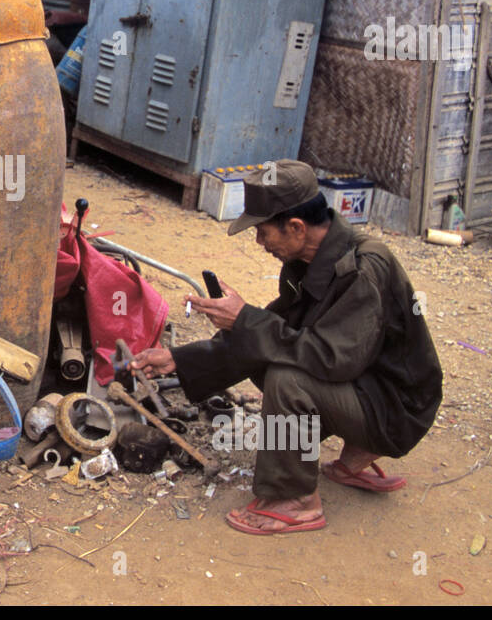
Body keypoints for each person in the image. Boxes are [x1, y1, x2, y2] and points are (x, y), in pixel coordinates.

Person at [131, 160, 443, 535]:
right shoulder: (306, 261)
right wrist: (178, 359)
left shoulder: (362, 268)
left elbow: (331, 359)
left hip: (397, 410)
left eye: (262, 233)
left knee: (286, 378)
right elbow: (271, 334)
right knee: (267, 347)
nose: (260, 244)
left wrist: (246, 319)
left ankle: (294, 500)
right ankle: (356, 454)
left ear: (296, 227)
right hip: (370, 386)